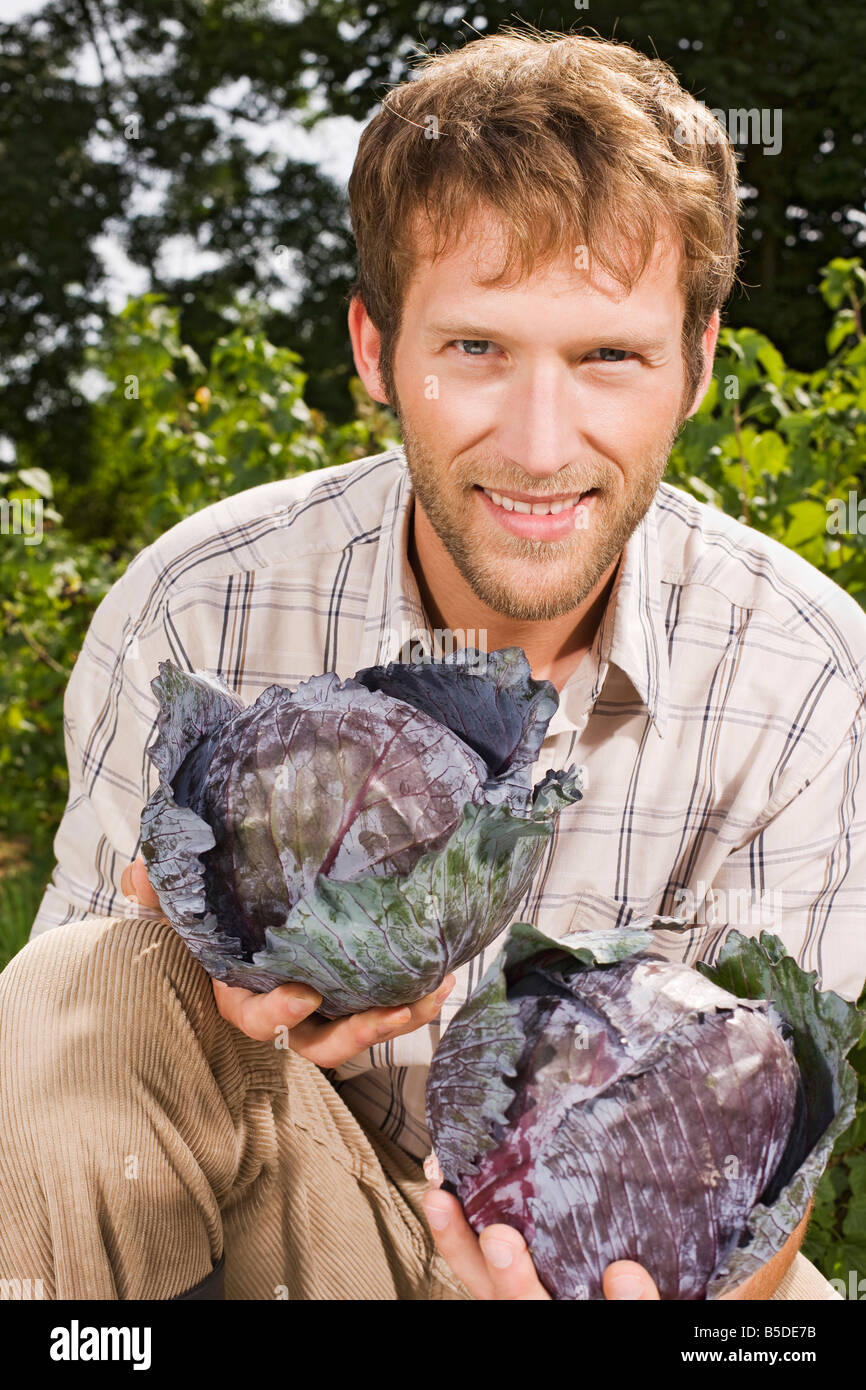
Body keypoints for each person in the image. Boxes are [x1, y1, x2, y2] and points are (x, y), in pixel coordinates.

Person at [1, 26, 861, 1301]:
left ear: (695, 370)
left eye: (606, 356)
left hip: (610, 1286)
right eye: (474, 348)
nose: (534, 441)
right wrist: (196, 979)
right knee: (93, 977)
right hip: (295, 1218)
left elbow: (768, 1164)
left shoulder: (804, 674)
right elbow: (58, 1077)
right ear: (372, 350)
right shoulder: (203, 603)